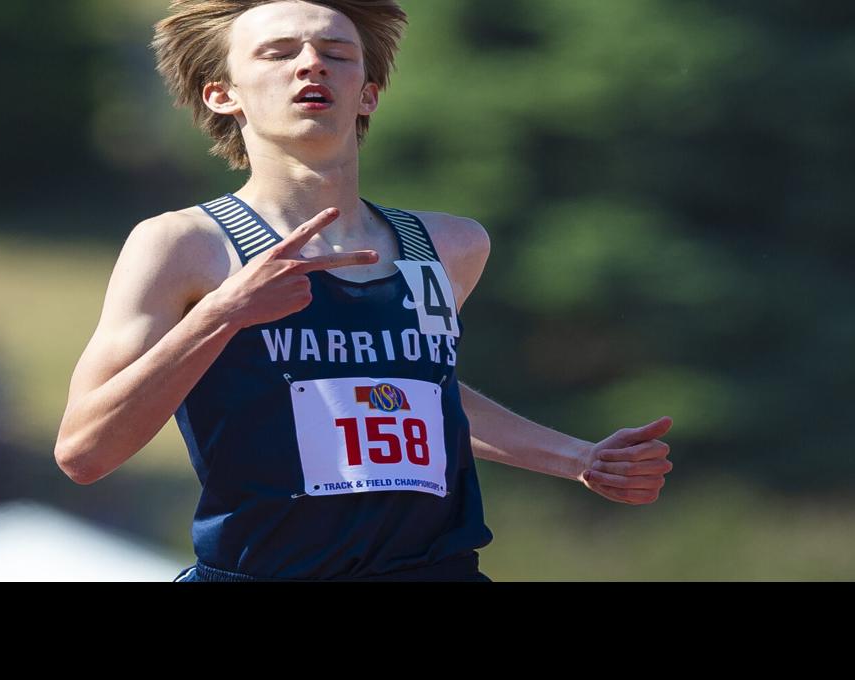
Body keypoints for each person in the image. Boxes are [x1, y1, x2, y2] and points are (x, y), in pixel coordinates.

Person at [53, 0, 674, 581]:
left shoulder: (451, 246)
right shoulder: (185, 245)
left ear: (368, 93)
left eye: (336, 53)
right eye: (278, 53)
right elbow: (84, 452)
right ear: (222, 94)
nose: (311, 64)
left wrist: (578, 457)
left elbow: (419, 391)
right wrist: (221, 315)